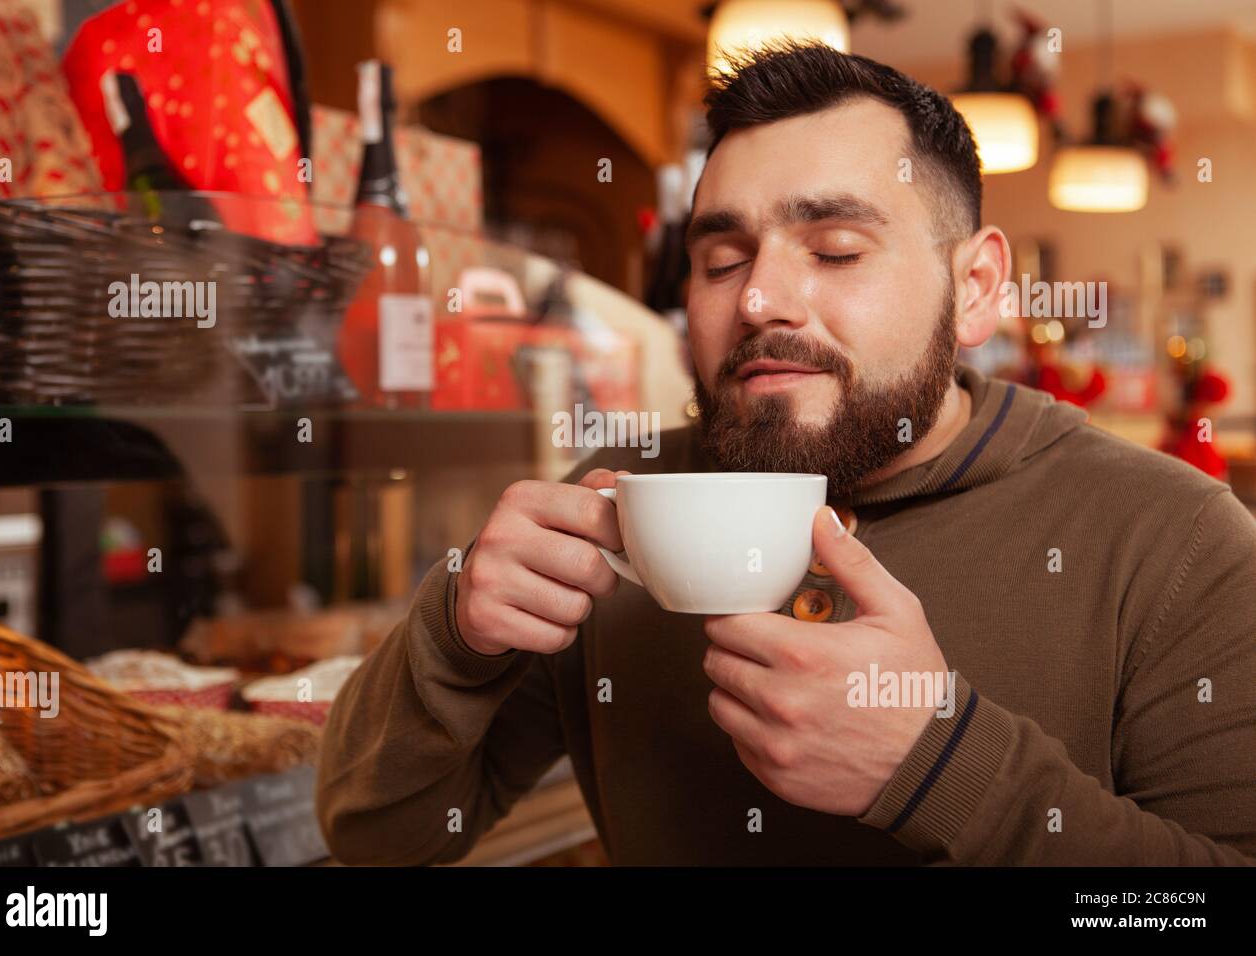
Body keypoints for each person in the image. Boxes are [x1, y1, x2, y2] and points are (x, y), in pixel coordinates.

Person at [316, 41, 1256, 865]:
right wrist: (454, 631)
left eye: (836, 250)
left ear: (975, 289)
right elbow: (378, 839)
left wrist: (942, 768)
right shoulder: (619, 513)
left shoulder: (1175, 543)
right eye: (721, 261)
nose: (759, 298)